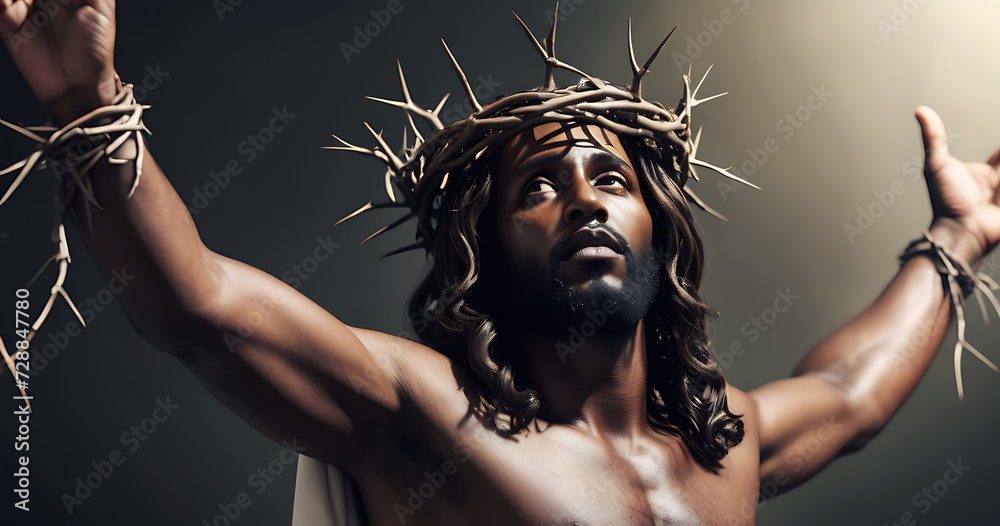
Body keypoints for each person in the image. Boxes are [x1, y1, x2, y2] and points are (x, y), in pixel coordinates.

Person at [2, 1, 999, 525]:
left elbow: (847, 393)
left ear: (661, 226)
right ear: (483, 249)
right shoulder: (427, 419)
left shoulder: (722, 448)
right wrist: (88, 102)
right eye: (536, 188)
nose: (582, 200)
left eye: (609, 177)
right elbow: (199, 305)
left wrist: (959, 233)